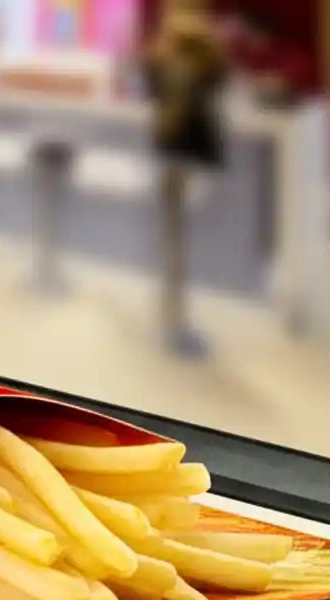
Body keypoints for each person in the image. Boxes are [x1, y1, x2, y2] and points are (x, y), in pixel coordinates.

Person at [142, 0, 229, 358]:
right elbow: (152, 88)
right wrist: (156, 53)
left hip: (191, 159)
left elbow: (216, 78)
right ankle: (173, 319)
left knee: (185, 241)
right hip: (173, 158)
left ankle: (178, 317)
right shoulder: (166, 59)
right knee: (174, 241)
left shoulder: (205, 60)